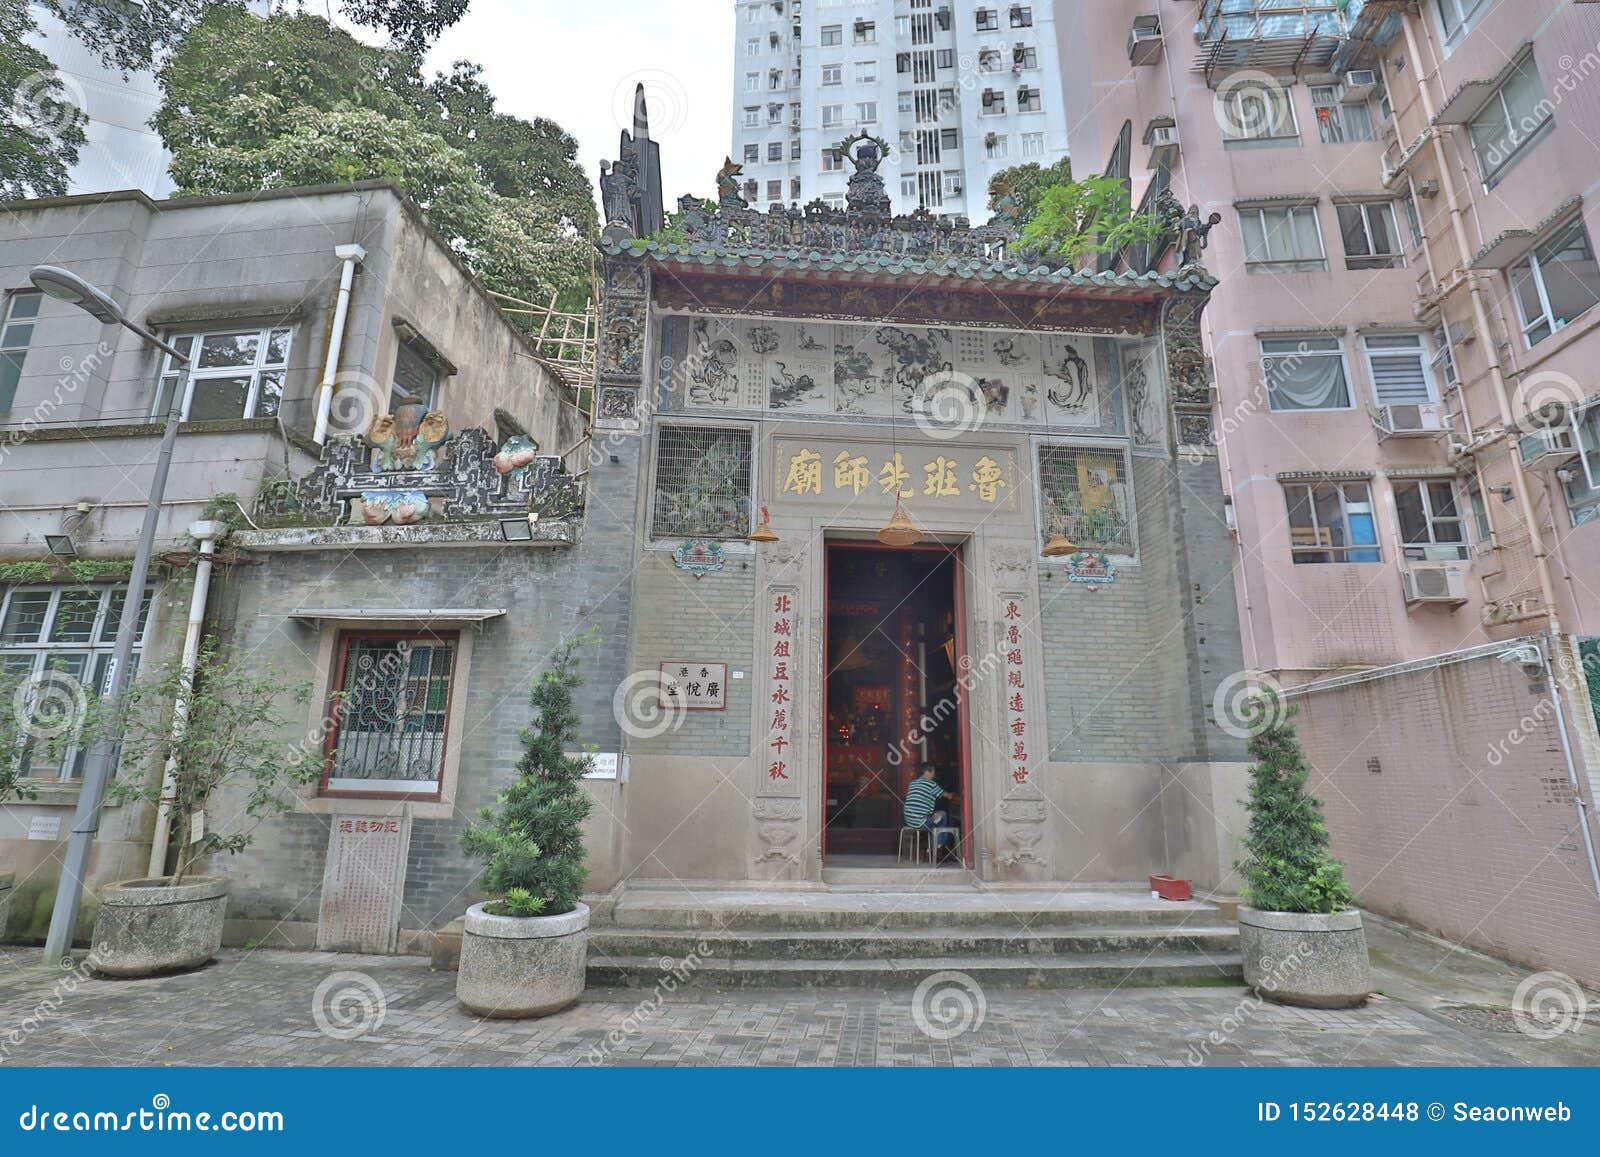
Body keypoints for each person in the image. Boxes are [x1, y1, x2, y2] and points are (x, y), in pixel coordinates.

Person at [903, 764, 956, 861]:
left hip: (909, 821)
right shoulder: (931, 784)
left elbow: (920, 802)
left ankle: (932, 850)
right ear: (927, 772)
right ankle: (935, 850)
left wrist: (932, 814)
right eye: (933, 772)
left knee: (937, 818)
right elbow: (948, 796)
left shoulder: (913, 783)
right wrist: (953, 794)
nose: (934, 774)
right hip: (921, 822)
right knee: (943, 815)